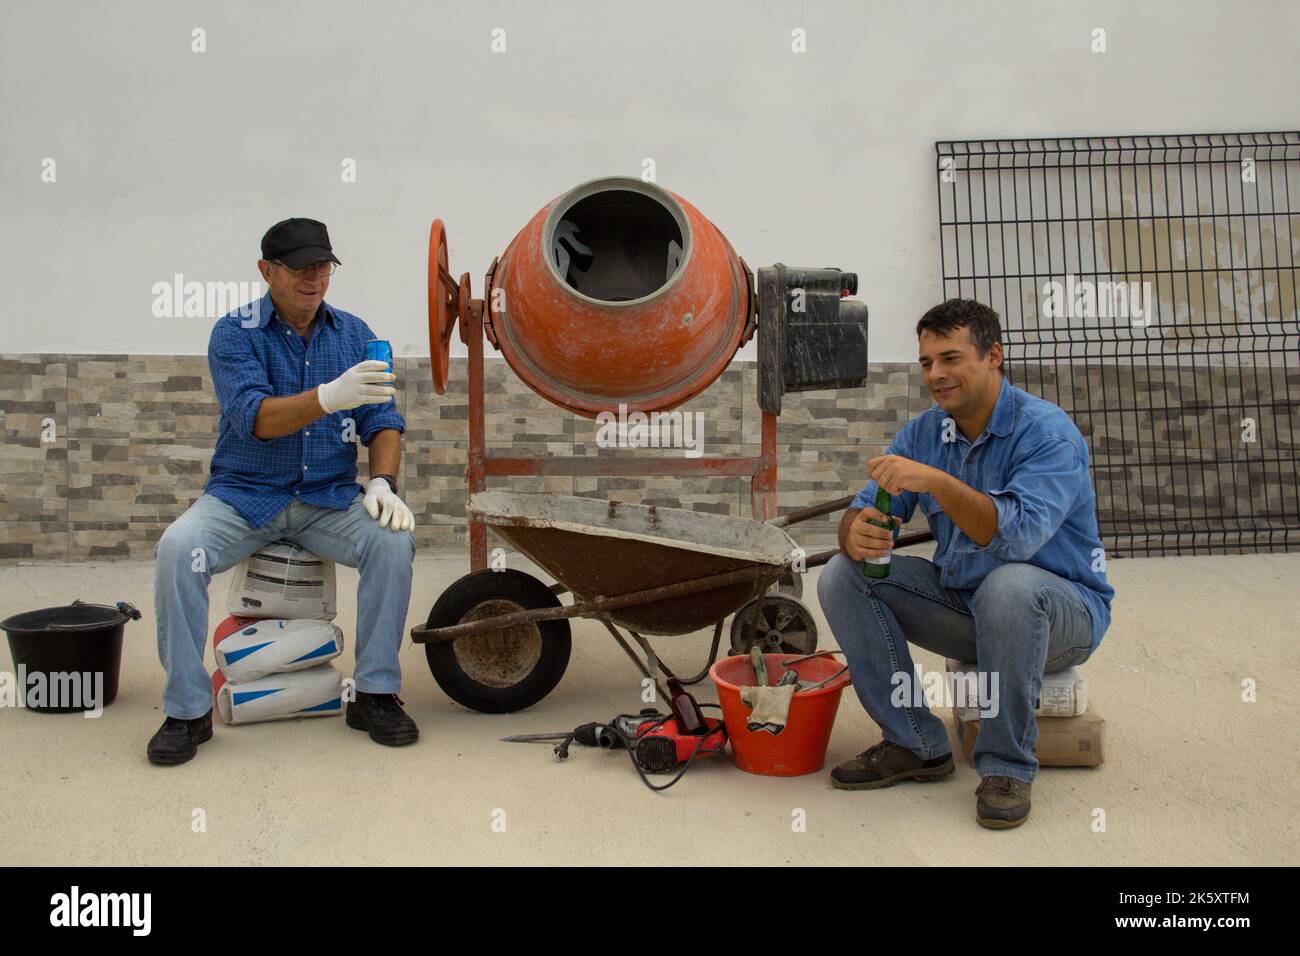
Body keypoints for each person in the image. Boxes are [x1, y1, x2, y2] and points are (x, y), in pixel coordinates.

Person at [816, 298, 1114, 828]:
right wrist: (855, 532)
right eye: (927, 362)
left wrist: (937, 482)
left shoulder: (1047, 434)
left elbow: (1015, 538)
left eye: (950, 358)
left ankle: (1006, 768)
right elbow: (865, 504)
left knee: (1012, 586)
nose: (936, 374)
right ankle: (916, 743)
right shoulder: (925, 434)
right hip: (970, 605)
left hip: (1063, 615)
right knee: (845, 575)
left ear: (994, 355)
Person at [147, 218, 419, 765]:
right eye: (298, 267)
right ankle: (186, 710)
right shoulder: (234, 332)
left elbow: (382, 419)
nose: (313, 277)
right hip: (245, 495)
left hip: (327, 497)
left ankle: (375, 694)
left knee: (392, 543)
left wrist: (385, 482)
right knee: (178, 550)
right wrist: (329, 395)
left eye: (322, 265)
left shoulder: (354, 332)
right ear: (266, 270)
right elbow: (255, 419)